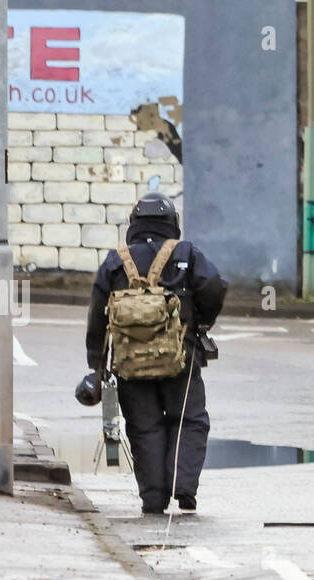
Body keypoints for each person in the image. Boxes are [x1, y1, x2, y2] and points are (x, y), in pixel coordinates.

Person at [85, 192, 228, 514]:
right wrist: (201, 322)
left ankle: (153, 498)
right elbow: (215, 286)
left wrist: (97, 364)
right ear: (172, 223)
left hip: (128, 362)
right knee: (189, 420)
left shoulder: (115, 260)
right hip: (181, 355)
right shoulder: (186, 254)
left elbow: (97, 315)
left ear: (134, 225)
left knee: (143, 426)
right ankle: (183, 485)